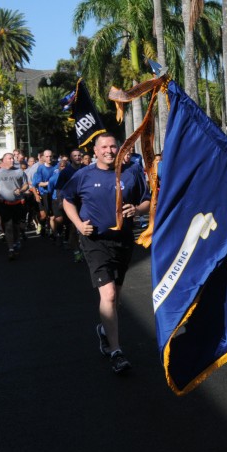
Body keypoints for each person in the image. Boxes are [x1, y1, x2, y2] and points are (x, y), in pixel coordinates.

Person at [60, 133, 151, 375]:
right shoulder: (84, 175)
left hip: (122, 241)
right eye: (104, 147)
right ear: (96, 151)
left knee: (115, 298)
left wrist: (137, 208)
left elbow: (148, 201)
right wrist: (79, 225)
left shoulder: (131, 172)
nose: (109, 151)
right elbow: (67, 200)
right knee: (108, 294)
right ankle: (116, 351)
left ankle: (103, 330)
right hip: (94, 241)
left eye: (113, 146)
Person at [0, 152, 31, 259]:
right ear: (4, 160)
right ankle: (11, 249)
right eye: (9, 158)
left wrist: (21, 190)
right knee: (8, 226)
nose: (12, 160)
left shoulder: (19, 172)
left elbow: (26, 185)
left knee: (16, 226)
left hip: (17, 204)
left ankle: (16, 241)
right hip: (5, 204)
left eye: (13, 158)